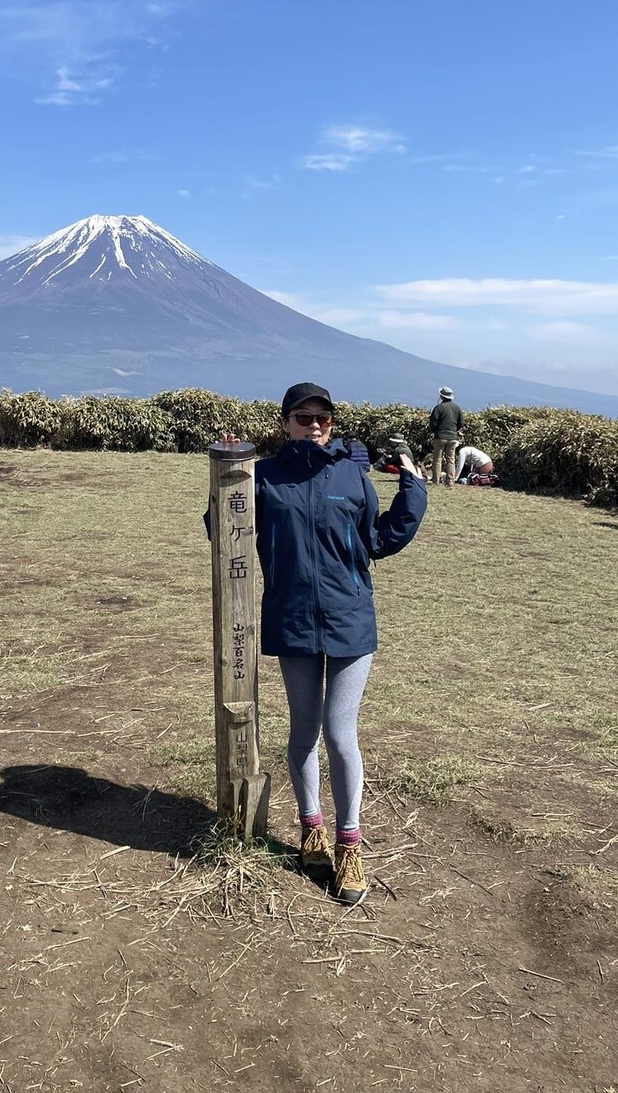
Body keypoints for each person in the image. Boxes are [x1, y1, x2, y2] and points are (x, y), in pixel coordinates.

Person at [211, 382, 427, 904]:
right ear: (285, 422)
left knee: (339, 732)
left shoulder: (350, 474)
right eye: (304, 418)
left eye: (323, 419)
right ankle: (312, 827)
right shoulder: (264, 477)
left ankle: (349, 843)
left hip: (350, 620)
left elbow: (377, 540)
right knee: (304, 729)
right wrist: (226, 473)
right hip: (292, 621)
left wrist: (413, 489)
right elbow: (223, 530)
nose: (315, 426)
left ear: (332, 423)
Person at [428, 386, 464, 486]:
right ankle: (450, 482)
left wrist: (436, 431)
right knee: (451, 460)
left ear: (441, 396)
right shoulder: (457, 408)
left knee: (437, 460)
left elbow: (433, 423)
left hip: (440, 437)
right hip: (452, 437)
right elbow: (461, 422)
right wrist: (454, 430)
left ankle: (436, 481)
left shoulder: (438, 408)